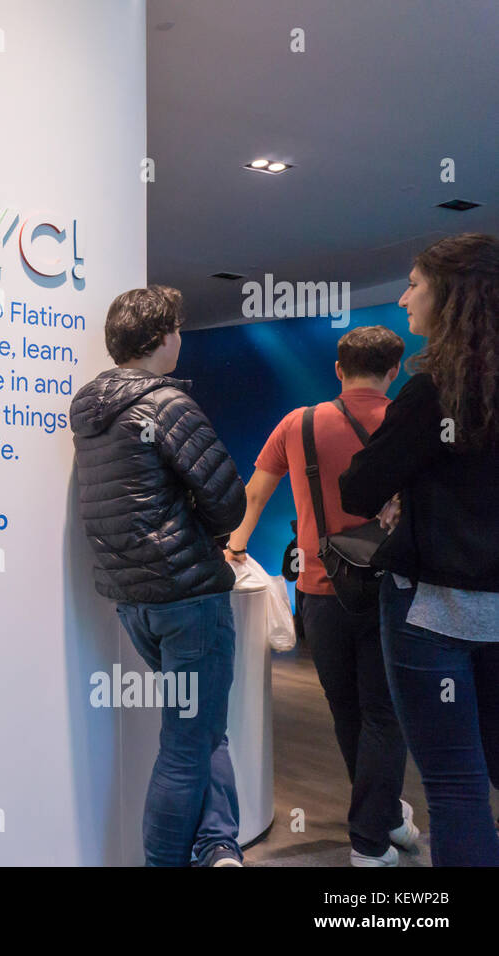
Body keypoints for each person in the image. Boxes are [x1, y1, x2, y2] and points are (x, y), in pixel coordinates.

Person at [70, 285, 247, 867]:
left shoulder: (92, 413)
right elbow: (226, 497)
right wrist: (213, 534)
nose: (180, 339)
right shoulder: (165, 403)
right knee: (184, 746)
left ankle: (218, 845)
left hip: (135, 601)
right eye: (176, 329)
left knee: (202, 731)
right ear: (158, 337)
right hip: (186, 595)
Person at [226, 326, 414, 866]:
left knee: (348, 712)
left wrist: (235, 548)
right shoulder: (406, 423)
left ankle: (381, 821)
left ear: (338, 368)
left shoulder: (298, 423)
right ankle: (372, 838)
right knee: (384, 715)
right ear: (394, 370)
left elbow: (256, 493)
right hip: (392, 591)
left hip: (319, 592)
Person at [340, 233, 499, 867]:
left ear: (451, 299)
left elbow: (360, 487)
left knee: (457, 790)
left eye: (414, 284)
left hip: (430, 613)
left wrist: (405, 482)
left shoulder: (435, 389)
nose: (404, 297)